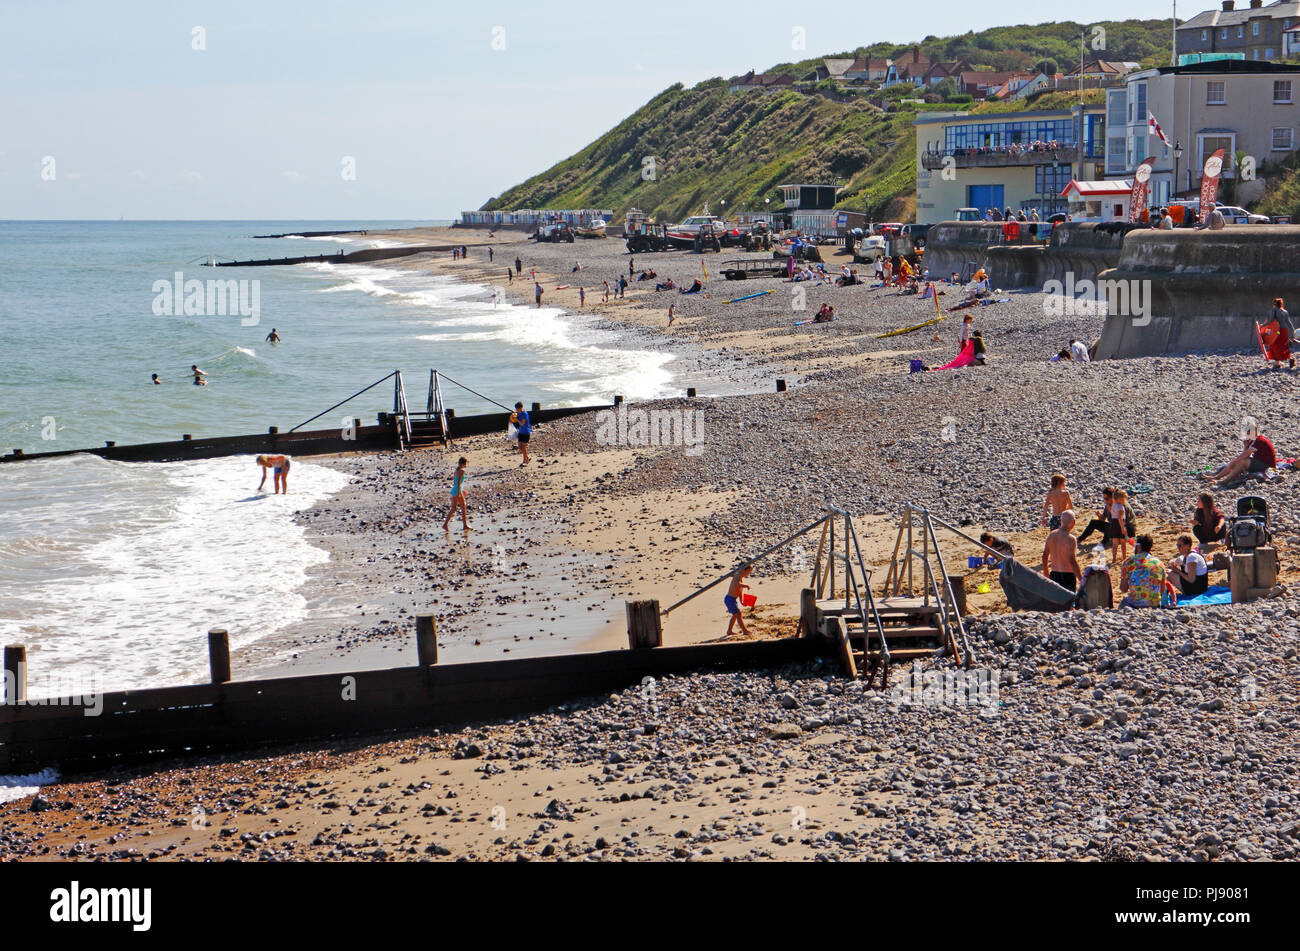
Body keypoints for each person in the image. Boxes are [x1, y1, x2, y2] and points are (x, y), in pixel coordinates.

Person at [1202, 418, 1278, 485]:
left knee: (1241, 462)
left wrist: (1233, 462)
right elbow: (1246, 455)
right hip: (1262, 463)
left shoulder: (1259, 441)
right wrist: (1245, 447)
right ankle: (1217, 476)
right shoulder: (1254, 441)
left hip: (1269, 467)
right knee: (1239, 461)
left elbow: (1243, 456)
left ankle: (1223, 481)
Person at [1119, 535, 1167, 608]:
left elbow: (1123, 589)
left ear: (1138, 547)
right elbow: (1162, 590)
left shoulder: (1129, 562)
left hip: (1135, 604)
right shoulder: (1159, 563)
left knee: (1123, 602)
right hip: (1154, 604)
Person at [1040, 510, 1082, 593]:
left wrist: (1046, 573)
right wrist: (1081, 578)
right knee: (1068, 601)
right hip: (1068, 575)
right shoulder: (1071, 539)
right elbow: (1072, 561)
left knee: (1056, 600)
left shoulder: (1051, 535)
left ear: (1060, 521)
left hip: (1054, 573)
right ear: (1074, 523)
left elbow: (1044, 556)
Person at [1260, 298, 1293, 370]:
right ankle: (1290, 359)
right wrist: (1293, 330)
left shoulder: (1274, 310)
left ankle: (1276, 364)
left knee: (1275, 345)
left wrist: (1262, 325)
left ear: (1274, 304)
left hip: (1277, 331)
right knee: (1284, 346)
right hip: (1284, 331)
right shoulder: (1285, 311)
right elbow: (1288, 322)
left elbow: (1271, 320)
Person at [442, 457, 470, 531]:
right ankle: (465, 525)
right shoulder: (462, 471)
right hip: (457, 491)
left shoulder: (456, 470)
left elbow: (456, 482)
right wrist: (459, 492)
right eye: (466, 463)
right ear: (463, 463)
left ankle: (445, 524)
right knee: (463, 507)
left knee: (454, 508)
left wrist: (461, 490)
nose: (466, 465)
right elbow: (458, 483)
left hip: (455, 490)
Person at [725, 564, 754, 637]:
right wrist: (746, 586)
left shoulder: (740, 578)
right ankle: (745, 630)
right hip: (730, 599)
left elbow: (739, 592)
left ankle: (729, 631)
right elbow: (738, 584)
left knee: (735, 615)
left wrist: (742, 601)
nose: (748, 574)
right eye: (748, 572)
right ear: (743, 569)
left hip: (732, 600)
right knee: (738, 614)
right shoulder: (737, 576)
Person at [1109, 488, 1131, 564]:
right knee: (1123, 543)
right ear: (1120, 499)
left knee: (1115, 544)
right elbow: (1120, 518)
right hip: (1120, 524)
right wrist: (1122, 528)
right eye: (1124, 499)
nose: (1125, 501)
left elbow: (1113, 515)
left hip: (1113, 524)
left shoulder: (1114, 505)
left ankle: (1114, 559)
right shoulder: (1121, 507)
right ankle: (1124, 558)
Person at [510, 401, 531, 465]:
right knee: (520, 446)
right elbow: (515, 416)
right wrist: (514, 416)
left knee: (523, 446)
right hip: (521, 432)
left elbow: (522, 423)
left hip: (526, 432)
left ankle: (525, 461)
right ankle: (527, 457)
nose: (516, 410)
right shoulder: (519, 413)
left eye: (517, 409)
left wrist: (517, 419)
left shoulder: (525, 414)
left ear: (520, 408)